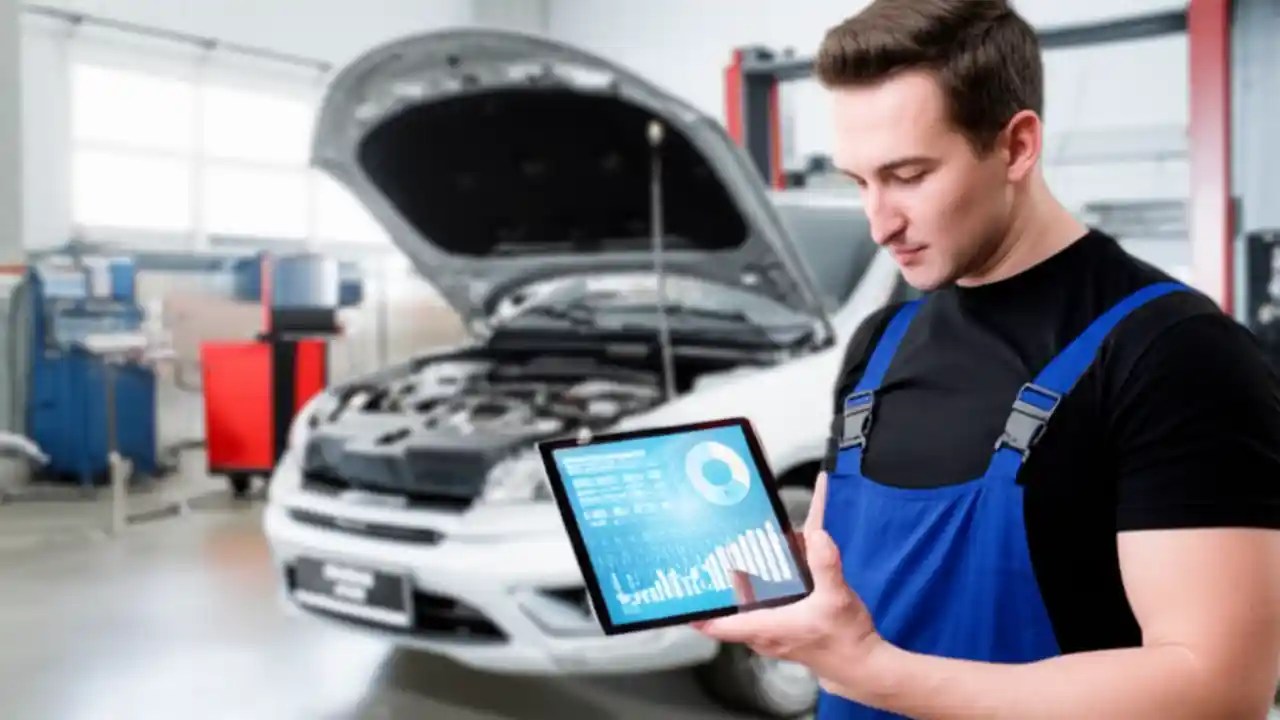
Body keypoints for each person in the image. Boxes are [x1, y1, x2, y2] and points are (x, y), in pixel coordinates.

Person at [691, 1, 1280, 717]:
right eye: (859, 182)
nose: (880, 222)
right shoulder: (880, 345)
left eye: (908, 175)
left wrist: (874, 671)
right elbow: (877, 590)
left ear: (1017, 146)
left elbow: (1217, 687)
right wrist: (793, 582)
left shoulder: (1175, 353)